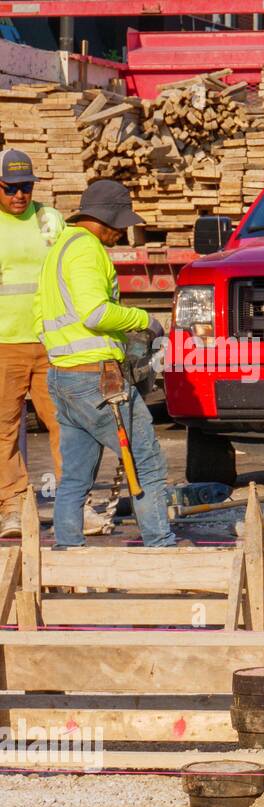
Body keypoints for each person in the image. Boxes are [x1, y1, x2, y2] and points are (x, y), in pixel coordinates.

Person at [36, 179, 173, 548]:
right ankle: (163, 549)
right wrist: (144, 320)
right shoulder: (88, 250)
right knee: (145, 464)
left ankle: (67, 552)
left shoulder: (60, 248)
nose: (124, 233)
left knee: (75, 477)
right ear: (106, 220)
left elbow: (45, 316)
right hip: (98, 382)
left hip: (63, 377)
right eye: (122, 225)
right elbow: (95, 313)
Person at [0, 149, 63, 538]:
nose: (20, 196)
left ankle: (72, 501)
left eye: (26, 187)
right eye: (10, 188)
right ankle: (13, 505)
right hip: (4, 343)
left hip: (51, 342)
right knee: (4, 430)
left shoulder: (49, 219)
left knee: (65, 425)